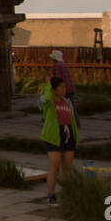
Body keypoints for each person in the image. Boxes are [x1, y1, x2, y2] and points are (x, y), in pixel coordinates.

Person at [40, 76, 79, 205]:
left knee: (67, 167)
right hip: (54, 136)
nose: (64, 89)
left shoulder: (67, 102)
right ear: (54, 89)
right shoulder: (48, 102)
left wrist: (76, 138)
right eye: (61, 87)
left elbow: (72, 121)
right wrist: (47, 87)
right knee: (55, 166)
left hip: (68, 134)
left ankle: (68, 193)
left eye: (64, 87)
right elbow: (45, 98)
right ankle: (51, 195)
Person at [50, 50, 77, 120]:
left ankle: (59, 119)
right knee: (71, 106)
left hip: (63, 89)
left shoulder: (57, 66)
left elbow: (58, 79)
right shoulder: (64, 65)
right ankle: (76, 122)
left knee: (59, 105)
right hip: (70, 88)